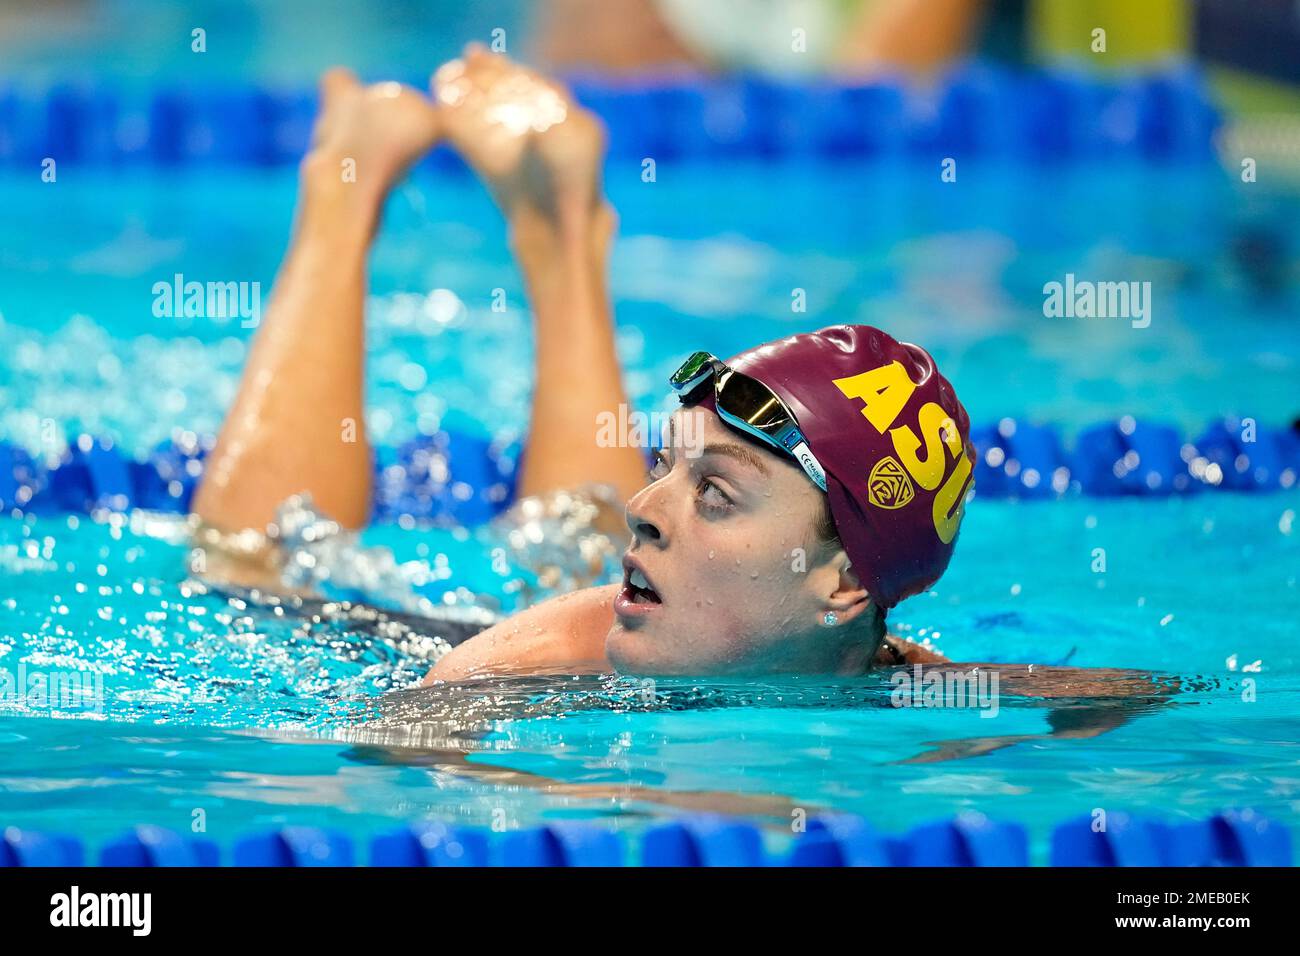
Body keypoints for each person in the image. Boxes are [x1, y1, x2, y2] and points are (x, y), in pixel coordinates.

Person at [191, 48, 1170, 756]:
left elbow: (1143, 697)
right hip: (423, 648)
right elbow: (389, 749)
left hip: (700, 624)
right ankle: (344, 188)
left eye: (714, 493)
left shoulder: (913, 677)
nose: (643, 502)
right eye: (666, 463)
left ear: (842, 586)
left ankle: (565, 226)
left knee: (578, 531)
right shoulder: (547, 654)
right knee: (252, 565)